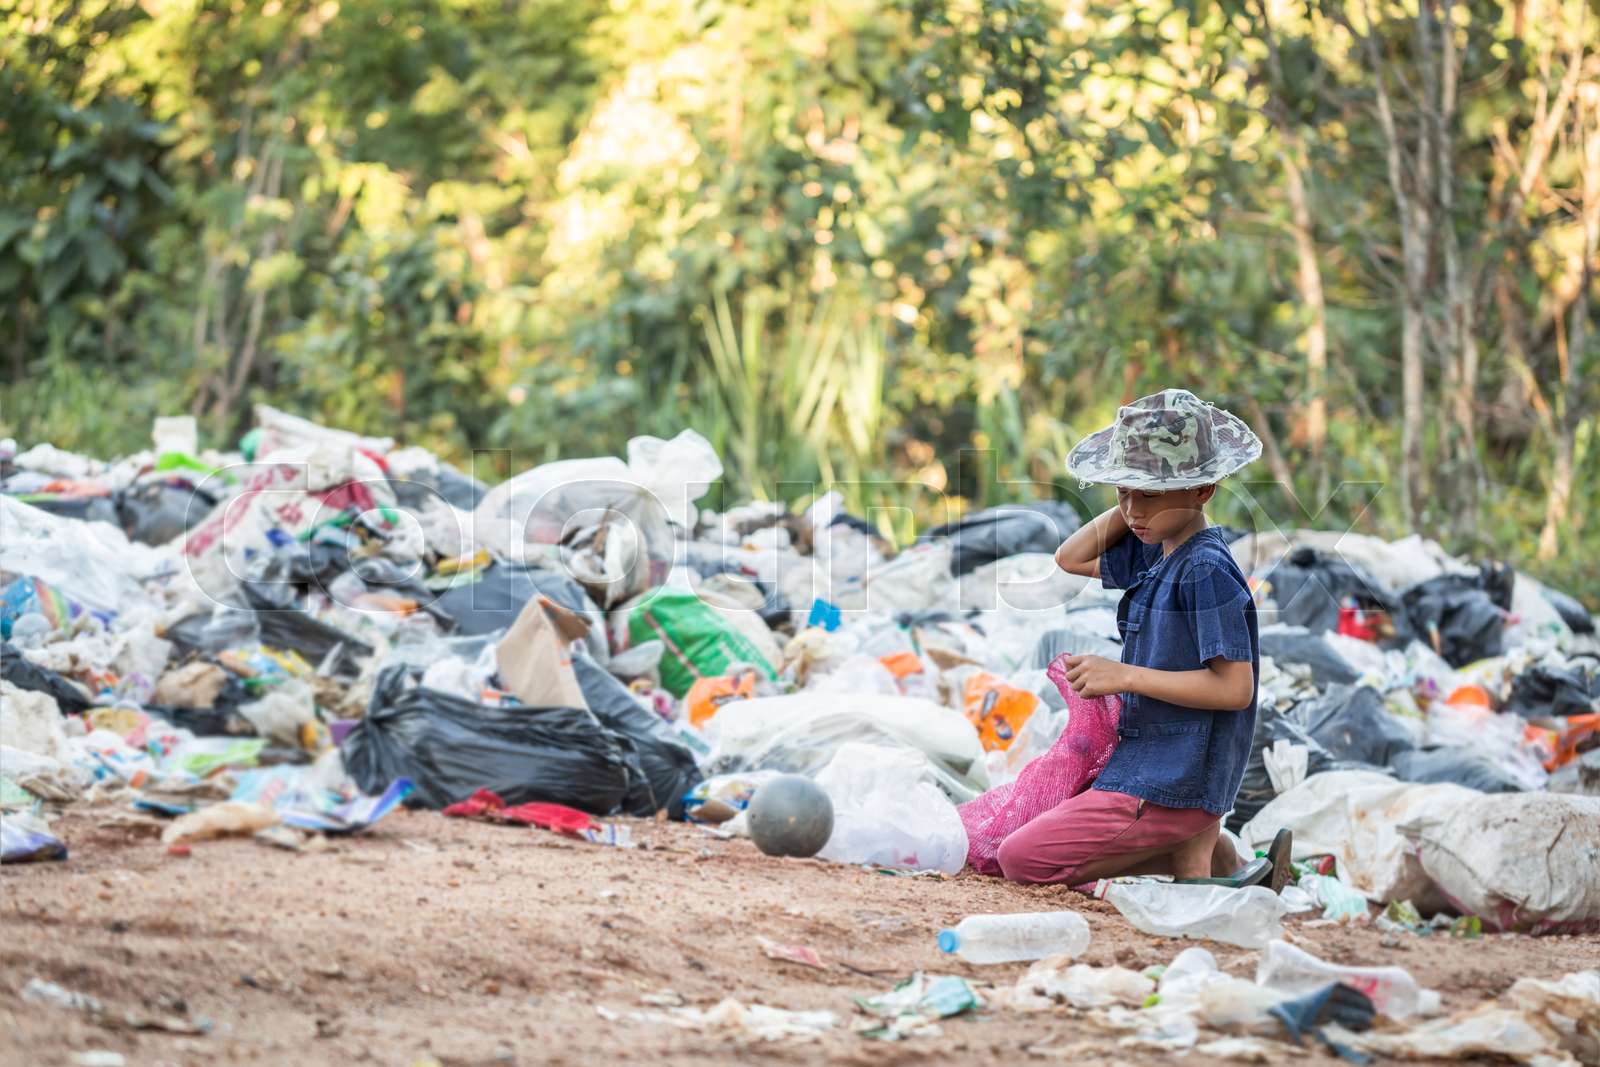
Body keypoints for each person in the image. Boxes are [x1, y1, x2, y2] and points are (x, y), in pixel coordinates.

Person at [994, 389, 1292, 890]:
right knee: (1035, 828)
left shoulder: (1205, 569)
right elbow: (1070, 558)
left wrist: (1124, 676)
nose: (1133, 510)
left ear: (1203, 490)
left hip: (1175, 781)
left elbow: (1234, 688)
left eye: (1150, 493)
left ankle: (1190, 854)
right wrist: (1136, 499)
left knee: (1019, 859)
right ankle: (1215, 863)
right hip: (1153, 766)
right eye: (1122, 492)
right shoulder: (1160, 550)